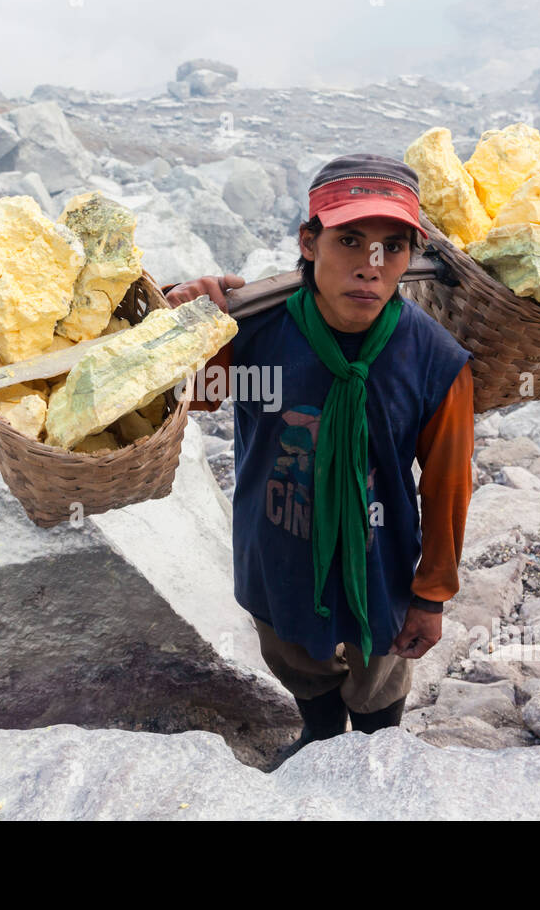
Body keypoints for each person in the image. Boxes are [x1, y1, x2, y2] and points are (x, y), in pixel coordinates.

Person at [163, 153, 475, 768]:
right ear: (309, 242)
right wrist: (189, 325)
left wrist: (431, 595)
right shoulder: (254, 329)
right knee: (296, 661)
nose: (370, 265)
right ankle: (319, 739)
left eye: (393, 245)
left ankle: (379, 754)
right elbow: (195, 396)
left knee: (379, 679)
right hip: (277, 544)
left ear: (413, 256)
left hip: (380, 560)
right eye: (349, 240)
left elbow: (447, 486)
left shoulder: (436, 361)